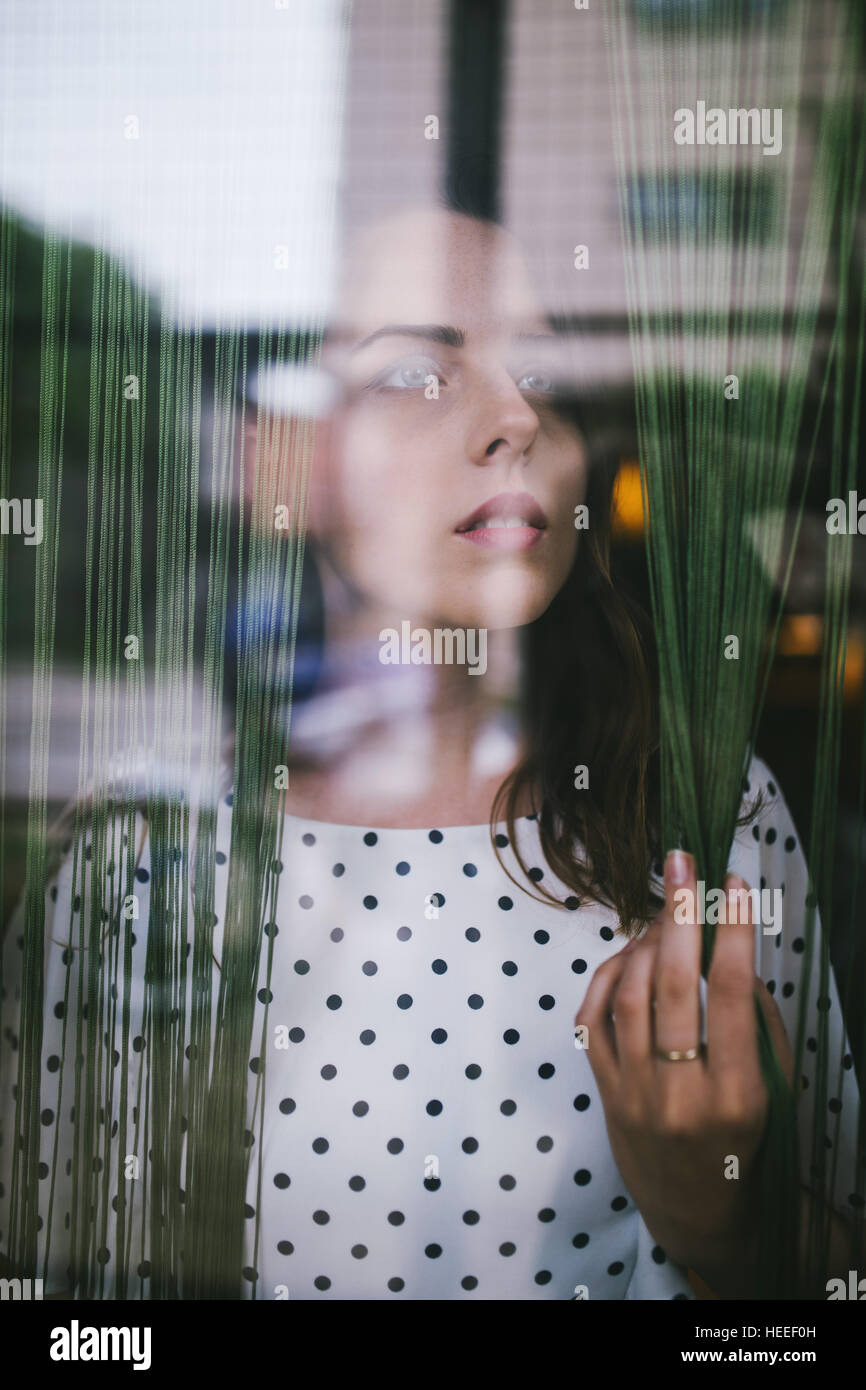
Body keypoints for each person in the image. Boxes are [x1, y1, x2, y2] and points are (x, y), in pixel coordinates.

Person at [0, 206, 859, 1300]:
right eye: (413, 373)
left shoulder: (707, 826)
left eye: (541, 367)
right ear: (297, 460)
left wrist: (729, 1231)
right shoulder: (137, 861)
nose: (514, 416)